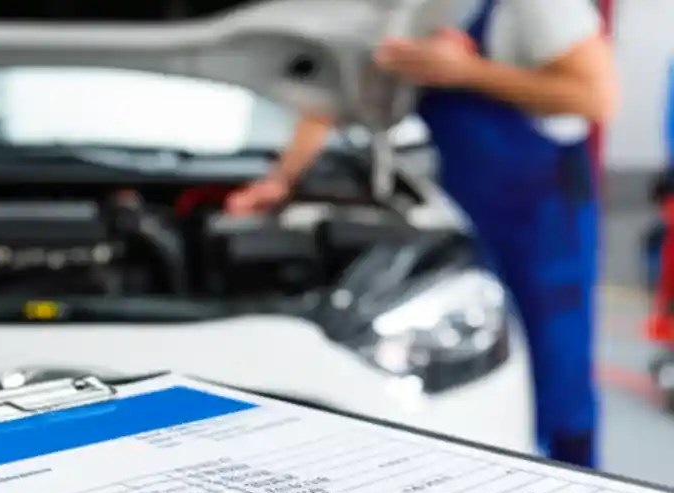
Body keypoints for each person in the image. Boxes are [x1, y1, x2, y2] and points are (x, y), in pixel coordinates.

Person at [227, 0, 615, 469]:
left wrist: (468, 72)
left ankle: (582, 488)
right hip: (465, 206)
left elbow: (597, 97)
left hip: (544, 216)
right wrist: (282, 179)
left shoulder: (536, 6)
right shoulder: (410, 9)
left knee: (556, 366)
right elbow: (336, 97)